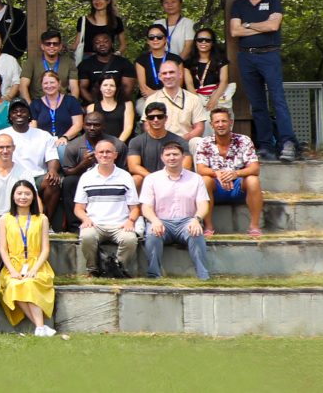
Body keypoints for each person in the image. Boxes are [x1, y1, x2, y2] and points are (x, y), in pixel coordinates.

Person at [228, 0, 295, 161]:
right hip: (247, 57)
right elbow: (235, 31)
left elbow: (273, 26)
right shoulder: (239, 4)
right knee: (257, 104)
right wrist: (260, 27)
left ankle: (287, 142)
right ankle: (266, 145)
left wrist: (247, 25)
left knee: (278, 100)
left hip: (269, 55)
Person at [142, 143, 214, 280]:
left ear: (183, 157)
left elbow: (203, 204)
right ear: (162, 158)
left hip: (187, 221)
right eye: (168, 155)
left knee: (196, 232)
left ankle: (203, 276)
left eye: (175, 154)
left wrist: (196, 219)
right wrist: (155, 221)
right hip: (161, 221)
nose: (172, 158)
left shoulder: (196, 178)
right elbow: (146, 207)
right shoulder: (151, 179)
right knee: (152, 232)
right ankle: (153, 275)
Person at [192, 107, 266, 238]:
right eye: (217, 122)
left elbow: (255, 168)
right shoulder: (204, 143)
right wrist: (217, 174)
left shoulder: (244, 140)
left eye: (224, 121)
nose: (220, 125)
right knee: (204, 180)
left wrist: (235, 174)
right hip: (216, 188)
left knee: (253, 180)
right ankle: (208, 227)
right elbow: (201, 169)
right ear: (211, 125)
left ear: (231, 122)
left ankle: (254, 226)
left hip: (238, 186)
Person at [0, 180, 57, 336]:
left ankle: (40, 328)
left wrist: (34, 269)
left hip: (36, 264)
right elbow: (3, 249)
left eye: (27, 193)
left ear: (33, 197)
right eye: (19, 193)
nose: (23, 197)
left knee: (29, 283)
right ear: (13, 196)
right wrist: (11, 270)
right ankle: (40, 327)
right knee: (13, 285)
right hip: (13, 265)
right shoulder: (5, 219)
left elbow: (45, 249)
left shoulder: (41, 219)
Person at [75, 138, 142, 277]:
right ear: (96, 155)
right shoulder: (86, 177)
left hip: (120, 224)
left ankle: (117, 268)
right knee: (87, 236)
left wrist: (130, 221)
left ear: (115, 155)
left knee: (130, 239)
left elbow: (135, 208)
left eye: (108, 152)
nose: (105, 155)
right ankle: (93, 270)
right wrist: (85, 219)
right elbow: (78, 208)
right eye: (101, 152)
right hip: (95, 224)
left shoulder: (125, 176)